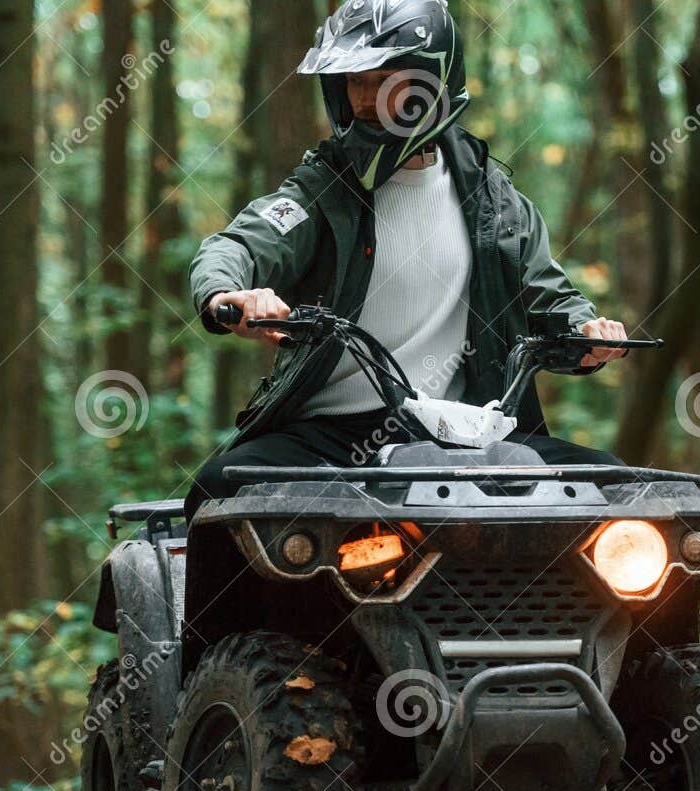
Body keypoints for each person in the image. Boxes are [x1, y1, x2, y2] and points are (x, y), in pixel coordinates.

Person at [184, 0, 631, 522]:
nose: (367, 99)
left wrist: (588, 335)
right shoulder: (321, 190)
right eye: (355, 81)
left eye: (385, 80)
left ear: (432, 83)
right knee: (219, 489)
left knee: (619, 492)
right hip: (331, 438)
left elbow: (550, 298)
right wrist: (228, 294)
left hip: (468, 434)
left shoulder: (495, 200)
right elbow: (237, 246)